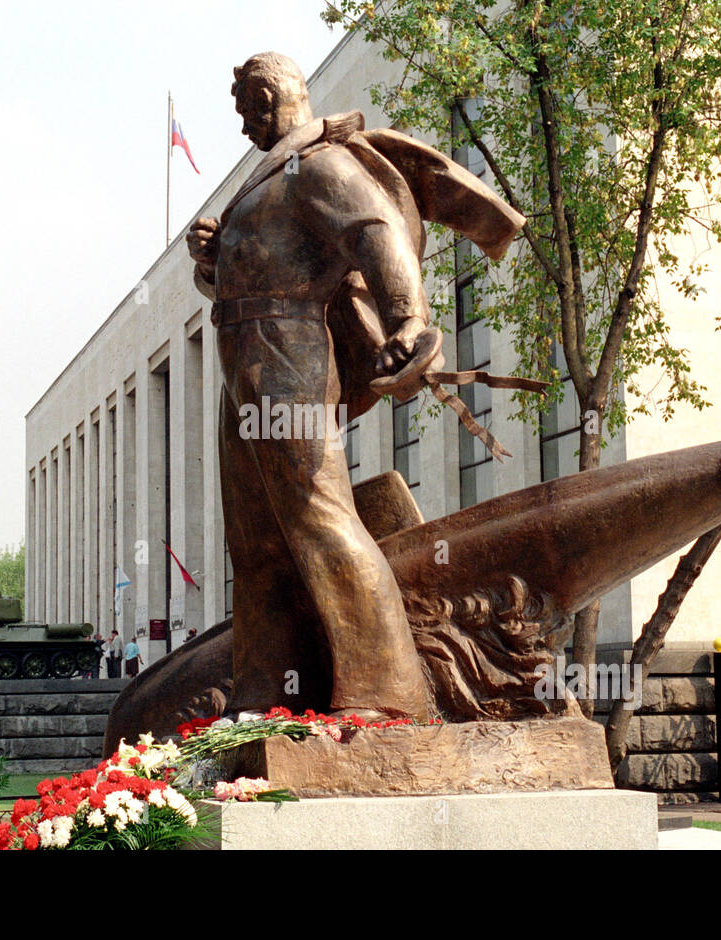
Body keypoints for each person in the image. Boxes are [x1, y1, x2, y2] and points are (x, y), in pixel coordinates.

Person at [186, 53, 524, 720]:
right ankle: (264, 693)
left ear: (274, 97)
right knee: (256, 545)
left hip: (289, 354)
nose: (245, 124)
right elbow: (250, 270)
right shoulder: (267, 178)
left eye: (250, 108)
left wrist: (408, 319)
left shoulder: (318, 162)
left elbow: (376, 231)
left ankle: (385, 692)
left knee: (320, 518)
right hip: (242, 363)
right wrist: (214, 256)